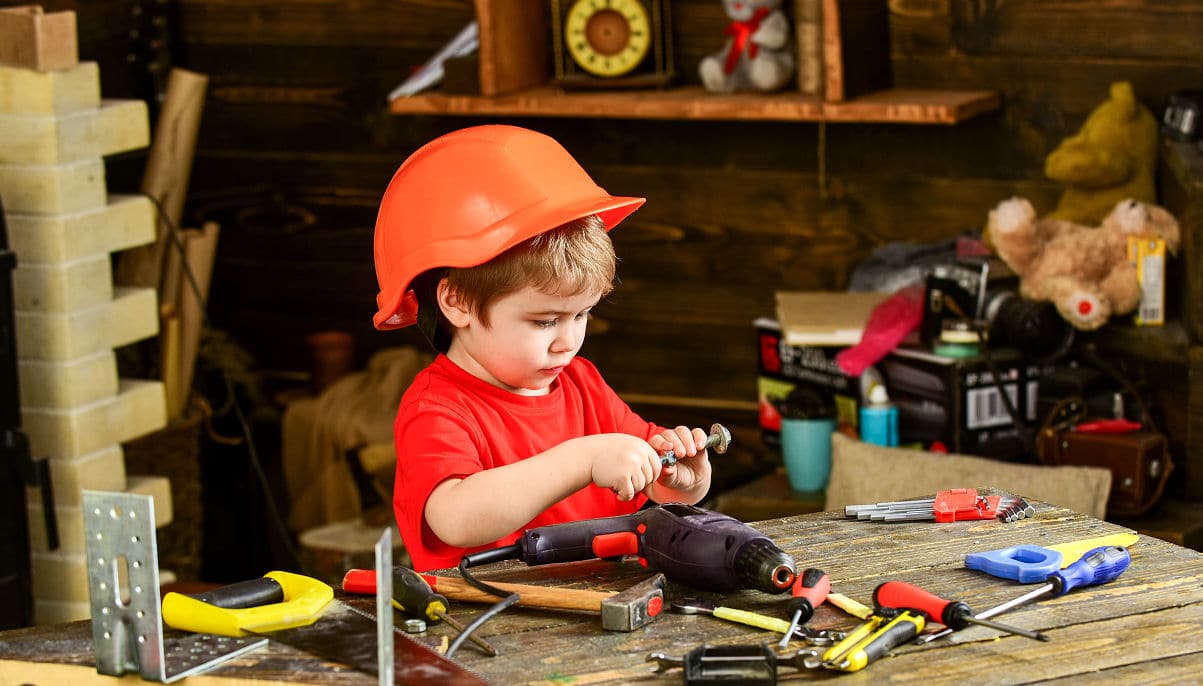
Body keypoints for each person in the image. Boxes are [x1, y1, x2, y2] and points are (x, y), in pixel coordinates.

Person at [372, 125, 714, 571]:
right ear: (457, 302)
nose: (568, 341)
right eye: (544, 321)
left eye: (581, 315)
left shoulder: (582, 383)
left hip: (603, 606)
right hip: (494, 624)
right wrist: (584, 458)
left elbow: (642, 479)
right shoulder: (438, 408)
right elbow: (453, 518)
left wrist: (682, 480)